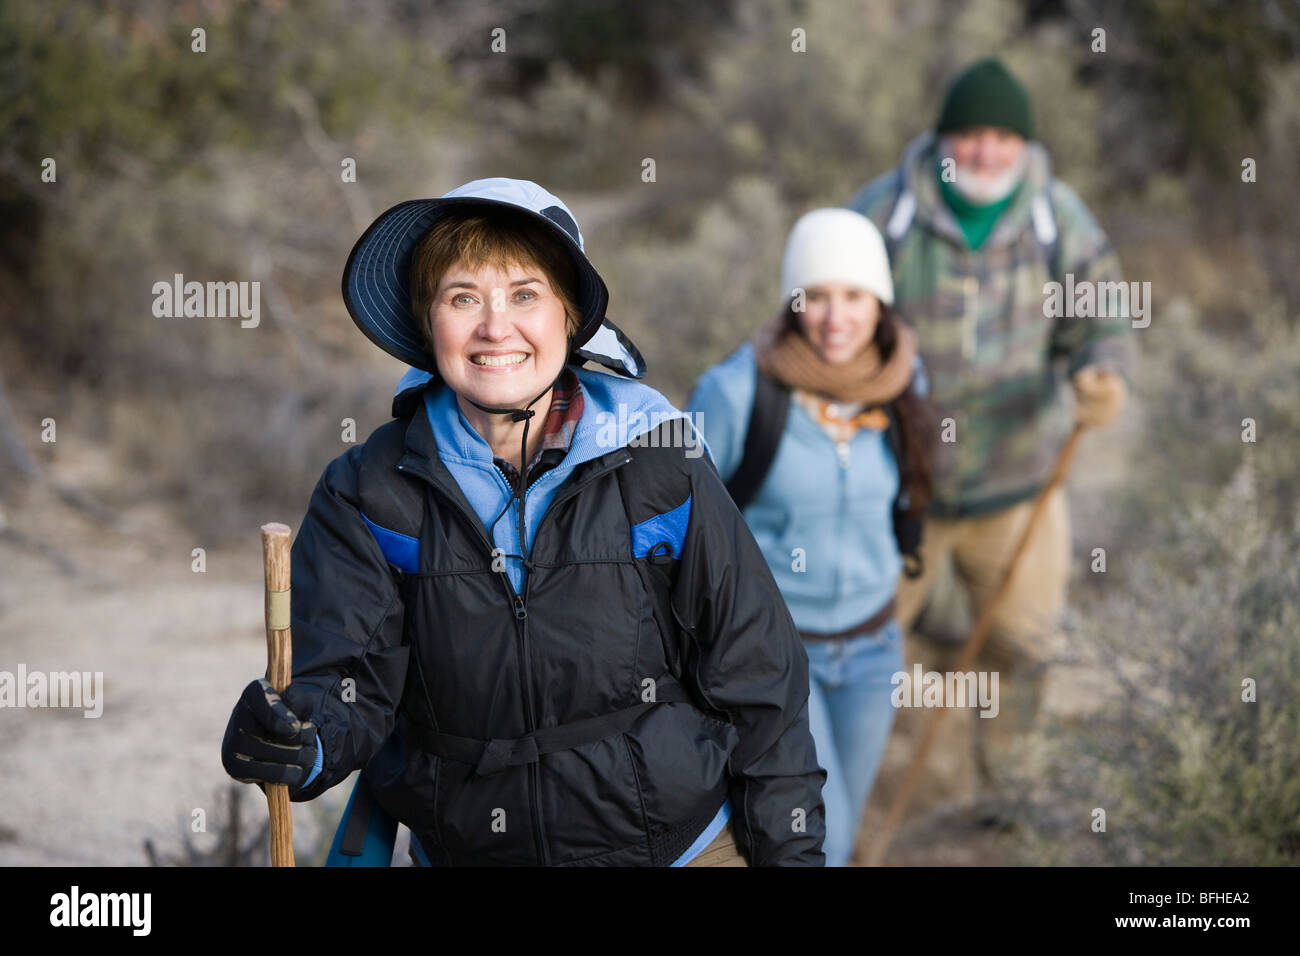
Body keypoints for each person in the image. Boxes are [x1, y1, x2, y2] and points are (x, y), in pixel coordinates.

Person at [220, 177, 826, 866]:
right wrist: (302, 734)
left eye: (525, 294)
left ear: (569, 317)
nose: (494, 327)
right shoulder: (368, 491)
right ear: (427, 323)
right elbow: (349, 681)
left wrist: (791, 854)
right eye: (462, 297)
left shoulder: (661, 465)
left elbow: (760, 681)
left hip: (682, 849)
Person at [846, 57, 1137, 784]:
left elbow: (1101, 313)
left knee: (1025, 644)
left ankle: (1012, 796)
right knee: (859, 645)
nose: (985, 153)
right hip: (896, 488)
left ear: (1025, 145)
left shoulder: (1055, 217)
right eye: (970, 135)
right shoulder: (884, 215)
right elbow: (826, 321)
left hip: (1019, 490)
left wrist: (1101, 370)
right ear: (944, 139)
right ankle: (857, 793)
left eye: (1002, 138)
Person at [687, 208, 933, 866]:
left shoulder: (905, 380)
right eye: (815, 295)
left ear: (878, 302)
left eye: (853, 296)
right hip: (773, 658)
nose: (834, 317)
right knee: (823, 835)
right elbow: (677, 522)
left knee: (841, 819)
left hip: (875, 645)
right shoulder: (737, 391)